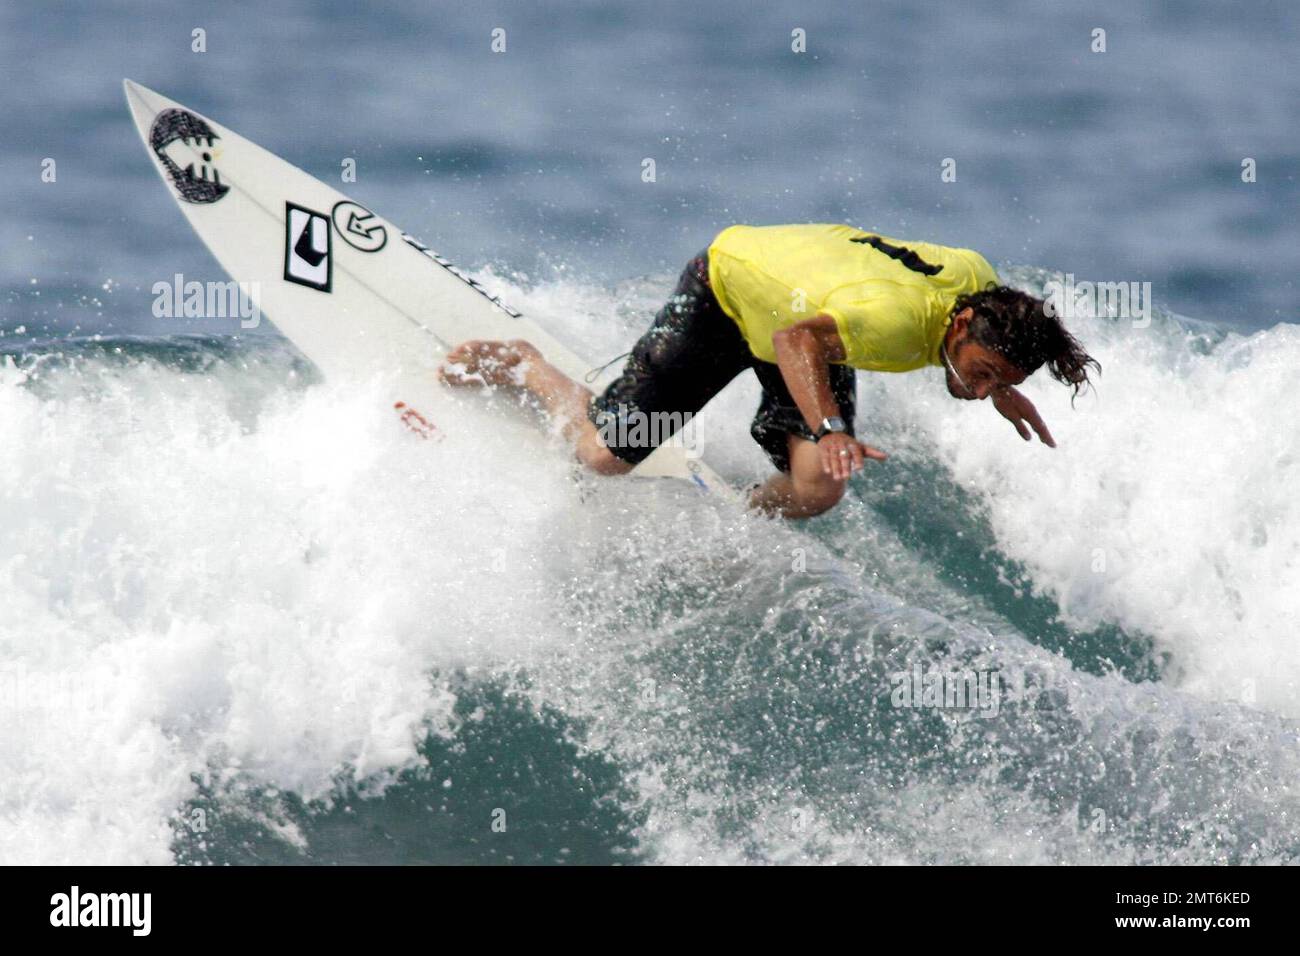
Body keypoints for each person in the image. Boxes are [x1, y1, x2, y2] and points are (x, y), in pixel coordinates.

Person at [439, 223, 1099, 519]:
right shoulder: (894, 324)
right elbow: (792, 341)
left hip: (811, 318)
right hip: (729, 294)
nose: (980, 386)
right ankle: (527, 365)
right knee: (602, 457)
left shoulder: (980, 291)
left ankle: (728, 520)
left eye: (998, 379)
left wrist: (998, 390)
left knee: (818, 487)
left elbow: (1000, 333)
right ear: (959, 327)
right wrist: (832, 425)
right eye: (981, 372)